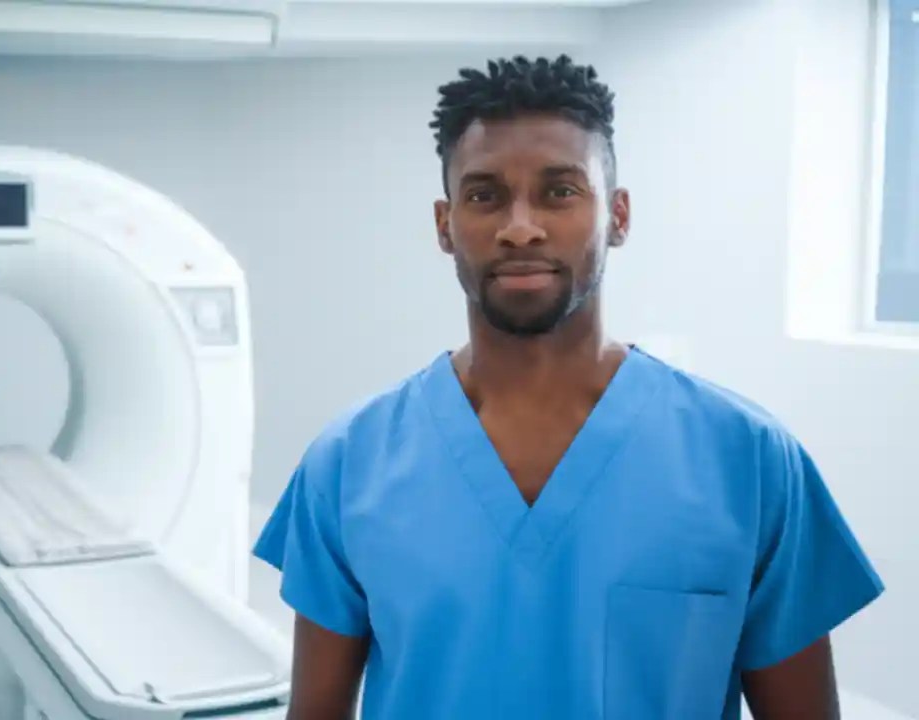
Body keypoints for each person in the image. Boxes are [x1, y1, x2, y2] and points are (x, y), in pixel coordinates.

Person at [252, 55, 884, 720]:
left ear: (618, 215)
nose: (520, 225)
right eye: (484, 195)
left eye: (559, 191)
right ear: (445, 225)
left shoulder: (748, 460)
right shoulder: (351, 463)